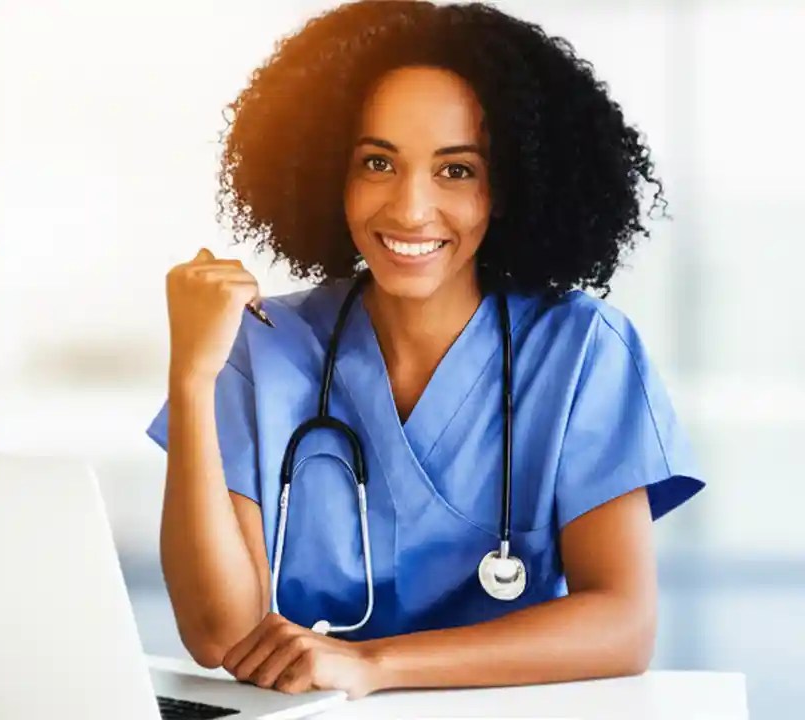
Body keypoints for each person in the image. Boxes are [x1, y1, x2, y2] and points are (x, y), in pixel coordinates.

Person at [144, 0, 705, 701]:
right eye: (378, 162)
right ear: (329, 172)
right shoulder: (259, 347)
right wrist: (191, 377)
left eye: (456, 170)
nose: (409, 209)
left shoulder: (583, 351)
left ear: (507, 189)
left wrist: (372, 665)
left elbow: (622, 626)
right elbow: (222, 634)